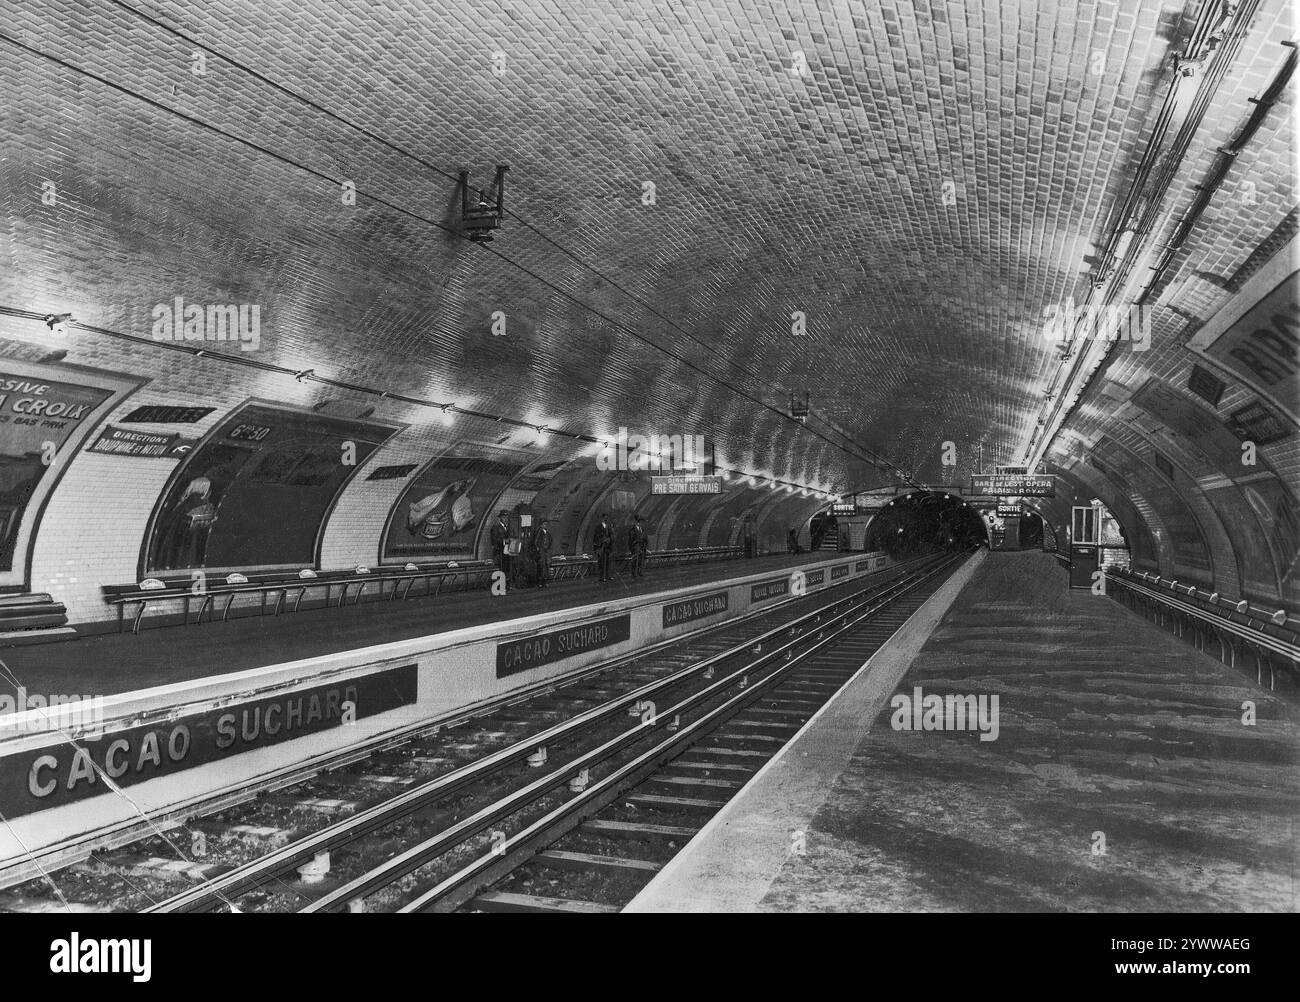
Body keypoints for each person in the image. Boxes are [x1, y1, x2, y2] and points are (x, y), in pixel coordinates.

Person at [490, 510, 511, 590]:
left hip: (508, 552)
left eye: (506, 517)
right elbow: (493, 540)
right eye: (504, 517)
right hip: (499, 552)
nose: (505, 519)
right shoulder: (495, 528)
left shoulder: (509, 528)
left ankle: (506, 585)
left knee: (507, 568)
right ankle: (501, 586)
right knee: (502, 568)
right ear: (500, 518)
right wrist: (504, 541)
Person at [594, 512, 614, 582]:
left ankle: (608, 576)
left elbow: (612, 536)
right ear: (602, 518)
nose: (606, 519)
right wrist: (603, 541)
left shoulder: (609, 527)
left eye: (607, 518)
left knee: (608, 562)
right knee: (601, 562)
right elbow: (596, 537)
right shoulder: (598, 527)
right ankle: (601, 577)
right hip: (601, 547)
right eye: (605, 518)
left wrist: (609, 539)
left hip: (608, 547)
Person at [533, 517, 552, 588]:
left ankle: (545, 581)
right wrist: (538, 549)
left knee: (546, 566)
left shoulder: (547, 533)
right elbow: (535, 541)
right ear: (541, 525)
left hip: (546, 552)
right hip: (541, 552)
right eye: (544, 524)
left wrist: (548, 547)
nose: (546, 525)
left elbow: (550, 540)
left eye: (546, 524)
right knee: (541, 567)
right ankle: (540, 582)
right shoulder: (539, 532)